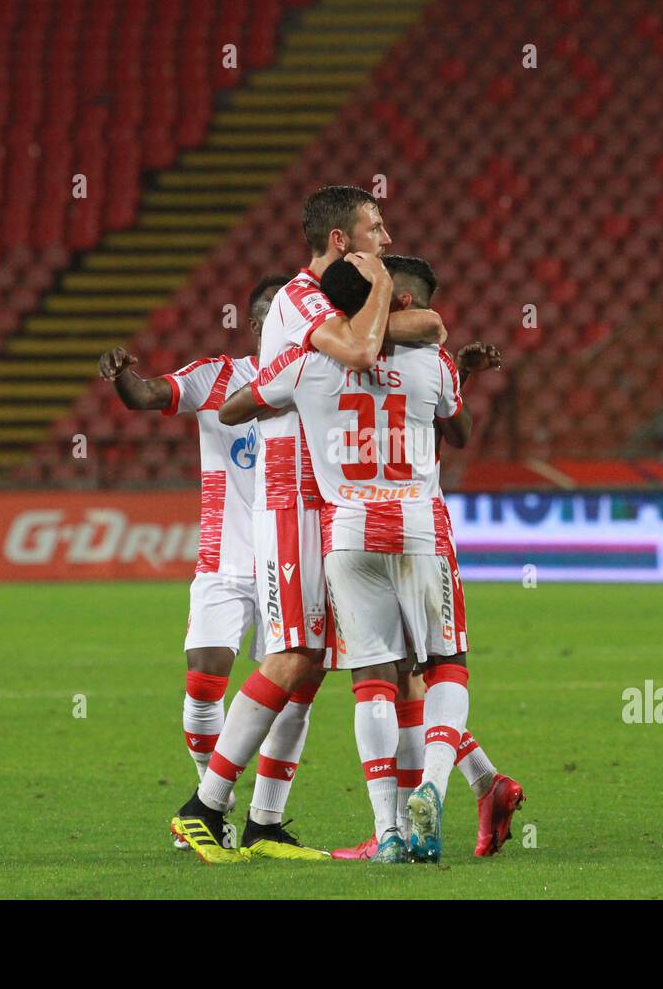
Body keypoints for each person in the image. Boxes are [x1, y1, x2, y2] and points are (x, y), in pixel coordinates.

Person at [169, 185, 445, 864]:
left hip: (327, 498)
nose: (387, 238)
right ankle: (203, 806)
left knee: (314, 661)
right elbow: (359, 350)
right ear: (341, 241)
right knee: (291, 654)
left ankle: (264, 820)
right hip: (292, 497)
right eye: (376, 229)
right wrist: (383, 290)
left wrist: (393, 315)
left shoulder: (325, 307)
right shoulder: (298, 299)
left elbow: (410, 330)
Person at [98, 276, 327, 861]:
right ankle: (213, 803)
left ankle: (264, 822)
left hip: (297, 553)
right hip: (226, 556)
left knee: (293, 689)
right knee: (205, 678)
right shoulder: (217, 376)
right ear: (256, 327)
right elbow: (146, 396)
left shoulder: (319, 374)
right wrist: (123, 374)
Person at [322, 255, 524, 860]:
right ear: (403, 302)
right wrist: (452, 371)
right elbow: (456, 431)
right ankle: (447, 790)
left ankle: (395, 831)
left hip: (348, 527)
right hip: (418, 526)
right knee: (440, 664)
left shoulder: (314, 357)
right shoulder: (431, 357)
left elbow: (243, 402)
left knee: (380, 676)